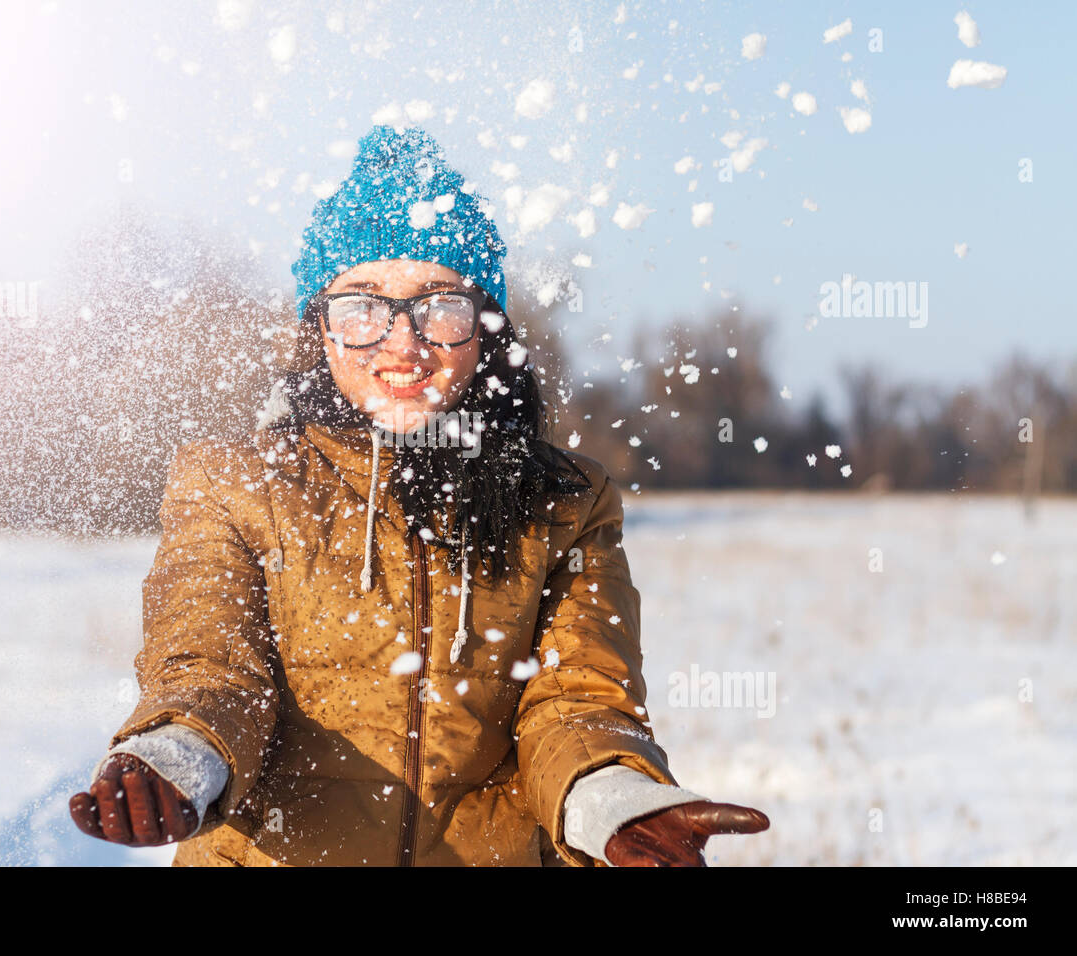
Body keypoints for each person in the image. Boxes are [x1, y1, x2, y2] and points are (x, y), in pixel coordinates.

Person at [68, 125, 769, 866]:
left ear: (486, 329)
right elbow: (212, 671)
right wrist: (180, 757)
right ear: (322, 329)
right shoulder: (236, 486)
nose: (403, 344)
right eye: (363, 309)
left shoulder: (563, 503)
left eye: (439, 308)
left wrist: (609, 802)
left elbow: (579, 702)